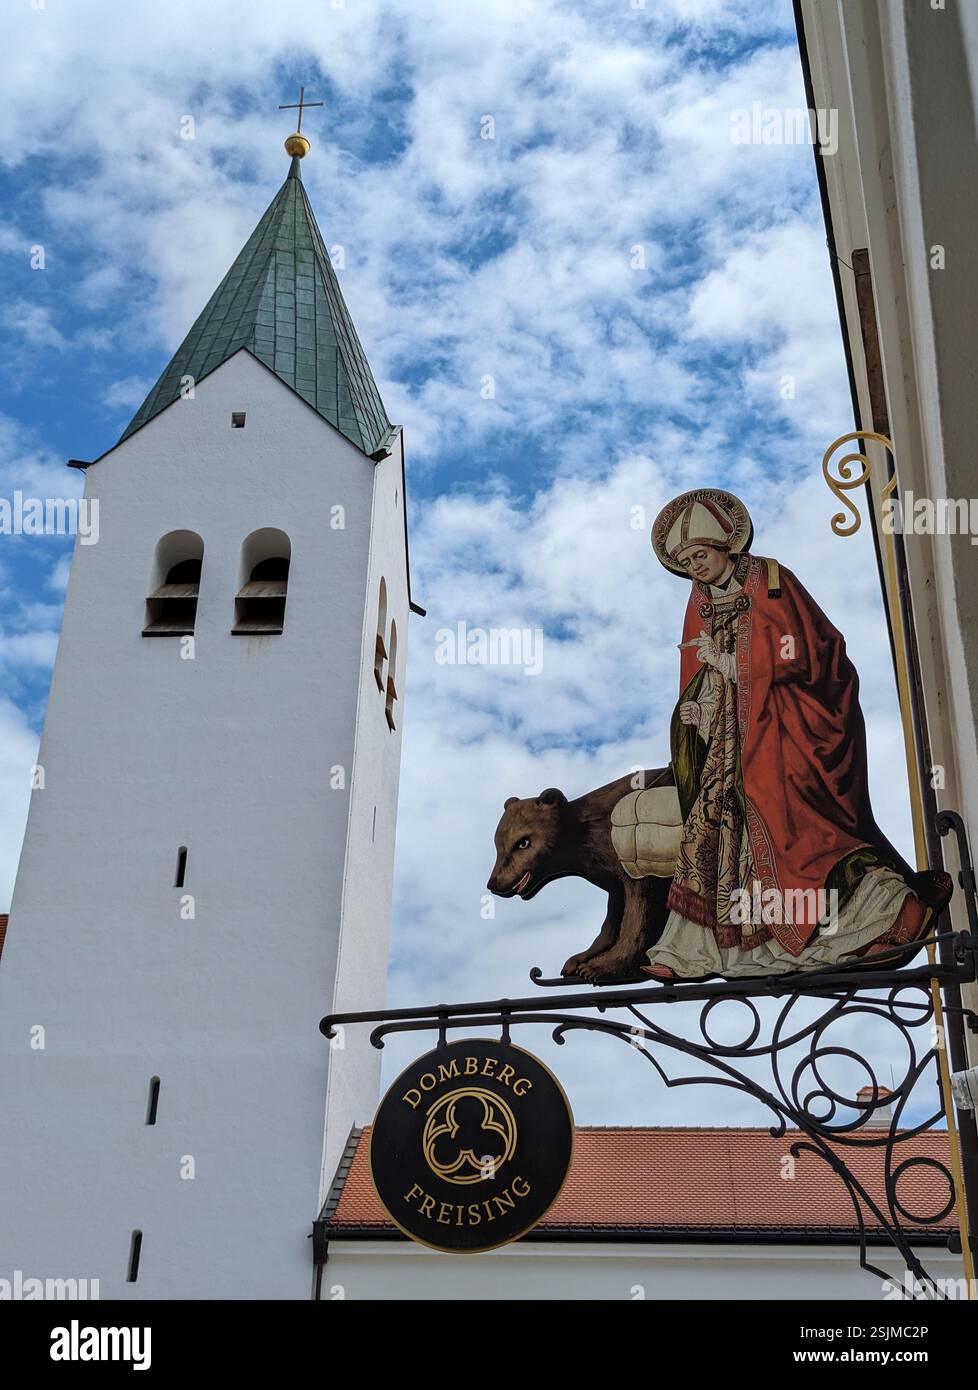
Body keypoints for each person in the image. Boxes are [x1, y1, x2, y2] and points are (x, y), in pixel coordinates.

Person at [643, 488, 950, 980]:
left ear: (726, 545)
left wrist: (738, 665)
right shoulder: (699, 601)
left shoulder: (771, 581)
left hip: (788, 731)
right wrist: (698, 707)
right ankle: (693, 954)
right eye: (686, 561)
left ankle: (898, 910)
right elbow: (696, 671)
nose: (695, 567)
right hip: (730, 741)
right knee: (713, 834)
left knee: (805, 833)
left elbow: (808, 651)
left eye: (700, 554)